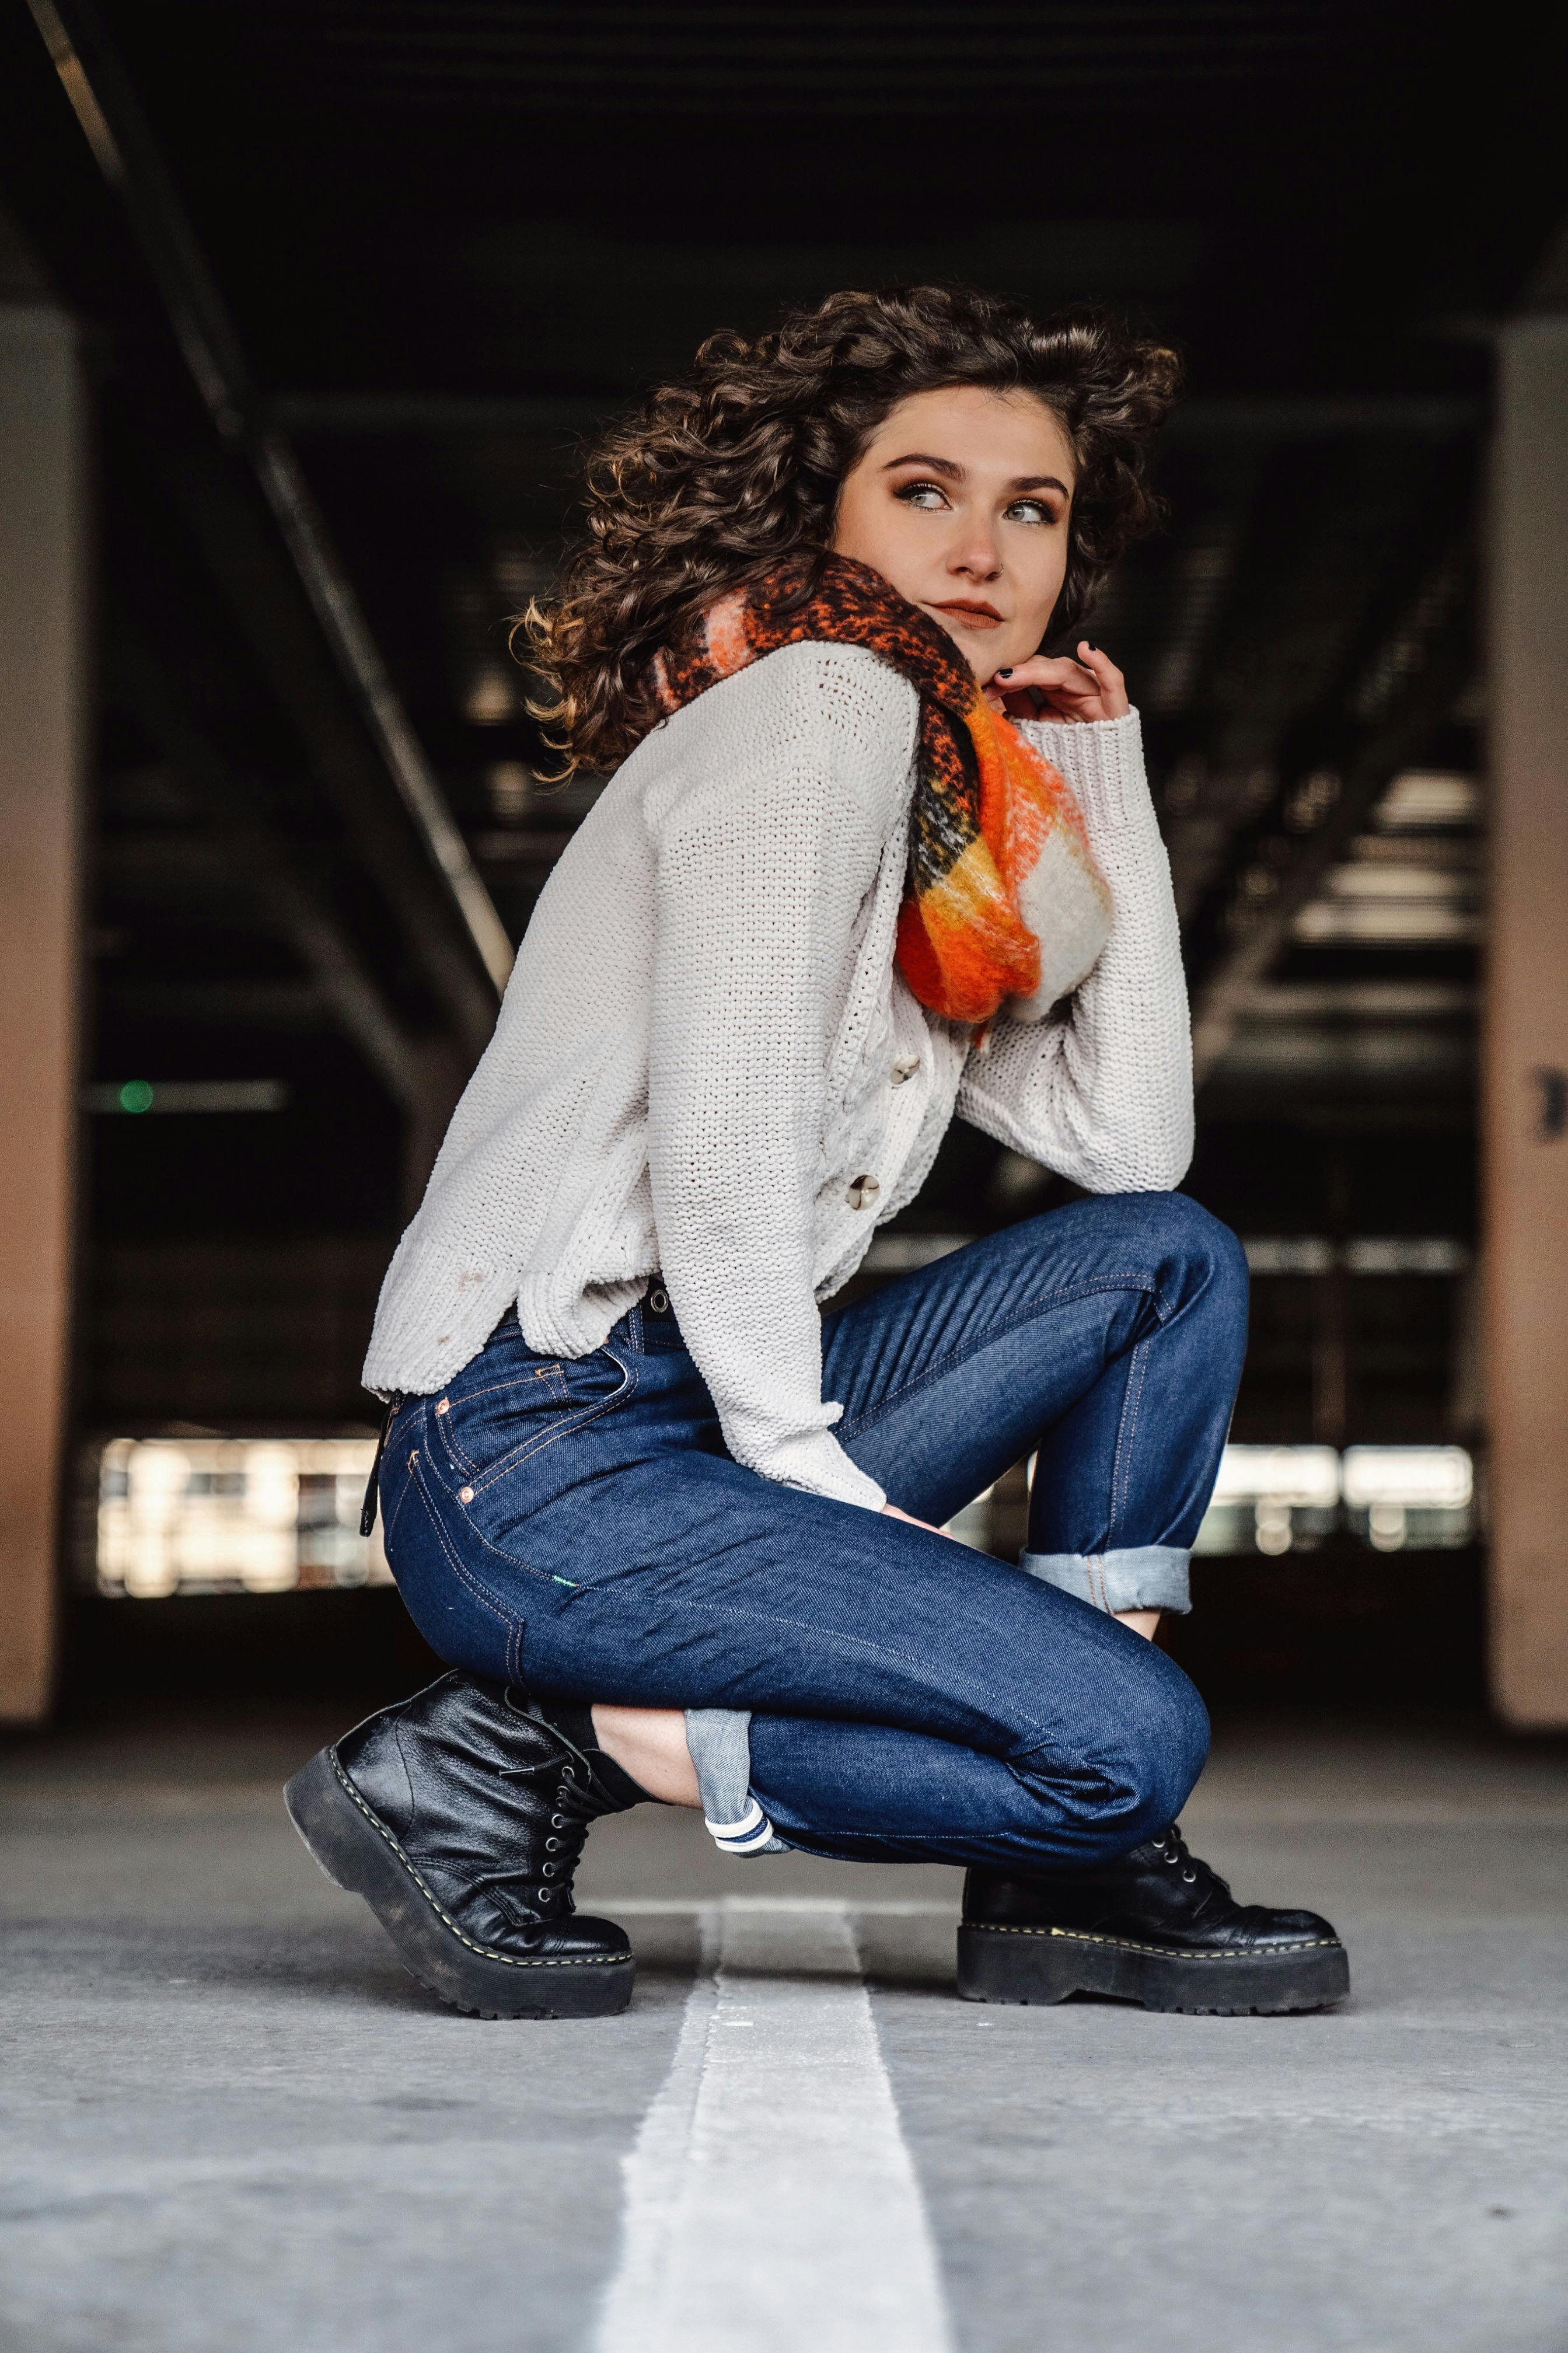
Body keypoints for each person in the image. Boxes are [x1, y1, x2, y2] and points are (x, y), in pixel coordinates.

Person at [286, 285, 1347, 2022]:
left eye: (1035, 509)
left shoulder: (957, 830)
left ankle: (1064, 1877)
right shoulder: (825, 715)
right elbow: (722, 1151)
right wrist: (814, 1479)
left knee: (1169, 1261)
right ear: (826, 515)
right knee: (1124, 1747)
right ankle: (542, 1750)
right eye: (925, 491)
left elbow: (1130, 1143)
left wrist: (1104, 769)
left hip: (681, 1411)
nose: (986, 547)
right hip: (538, 1452)